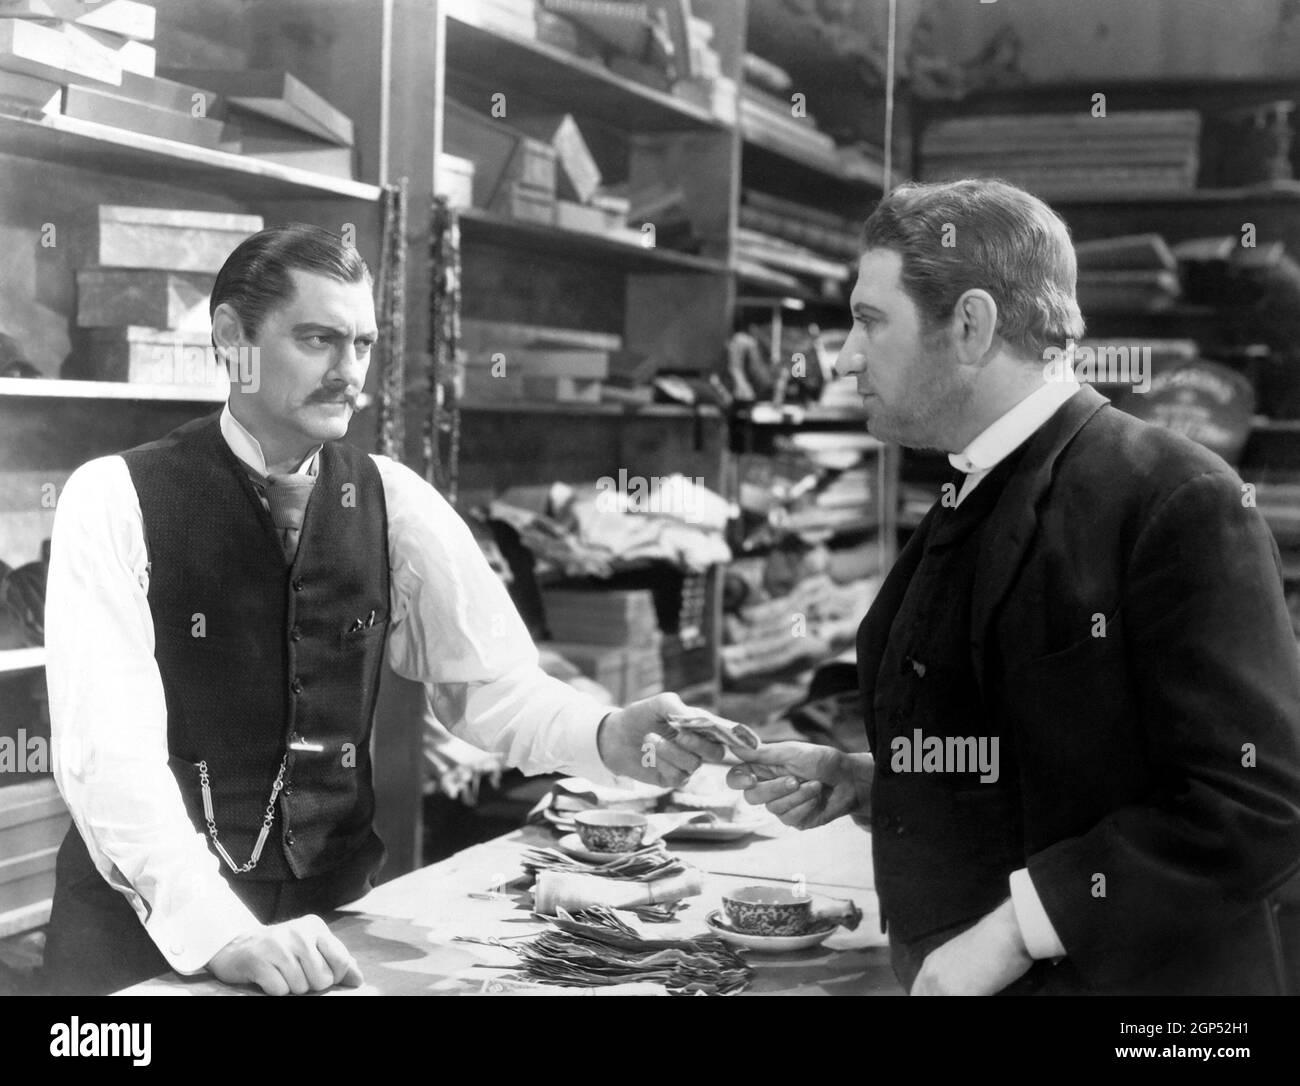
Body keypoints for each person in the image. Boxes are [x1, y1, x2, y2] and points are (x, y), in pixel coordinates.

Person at [43, 223, 724, 996]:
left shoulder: (393, 500)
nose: (349, 374)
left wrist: (604, 734)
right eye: (318, 340)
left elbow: (489, 687)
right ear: (232, 339)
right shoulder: (114, 498)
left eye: (362, 344)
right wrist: (217, 928)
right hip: (137, 942)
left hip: (328, 924)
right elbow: (109, 760)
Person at [728, 179, 1300, 995]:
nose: (846, 356)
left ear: (970, 325)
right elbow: (1058, 758)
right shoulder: (973, 482)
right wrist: (872, 782)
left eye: (868, 319)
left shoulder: (1176, 498)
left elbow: (1255, 805)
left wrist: (1012, 934)